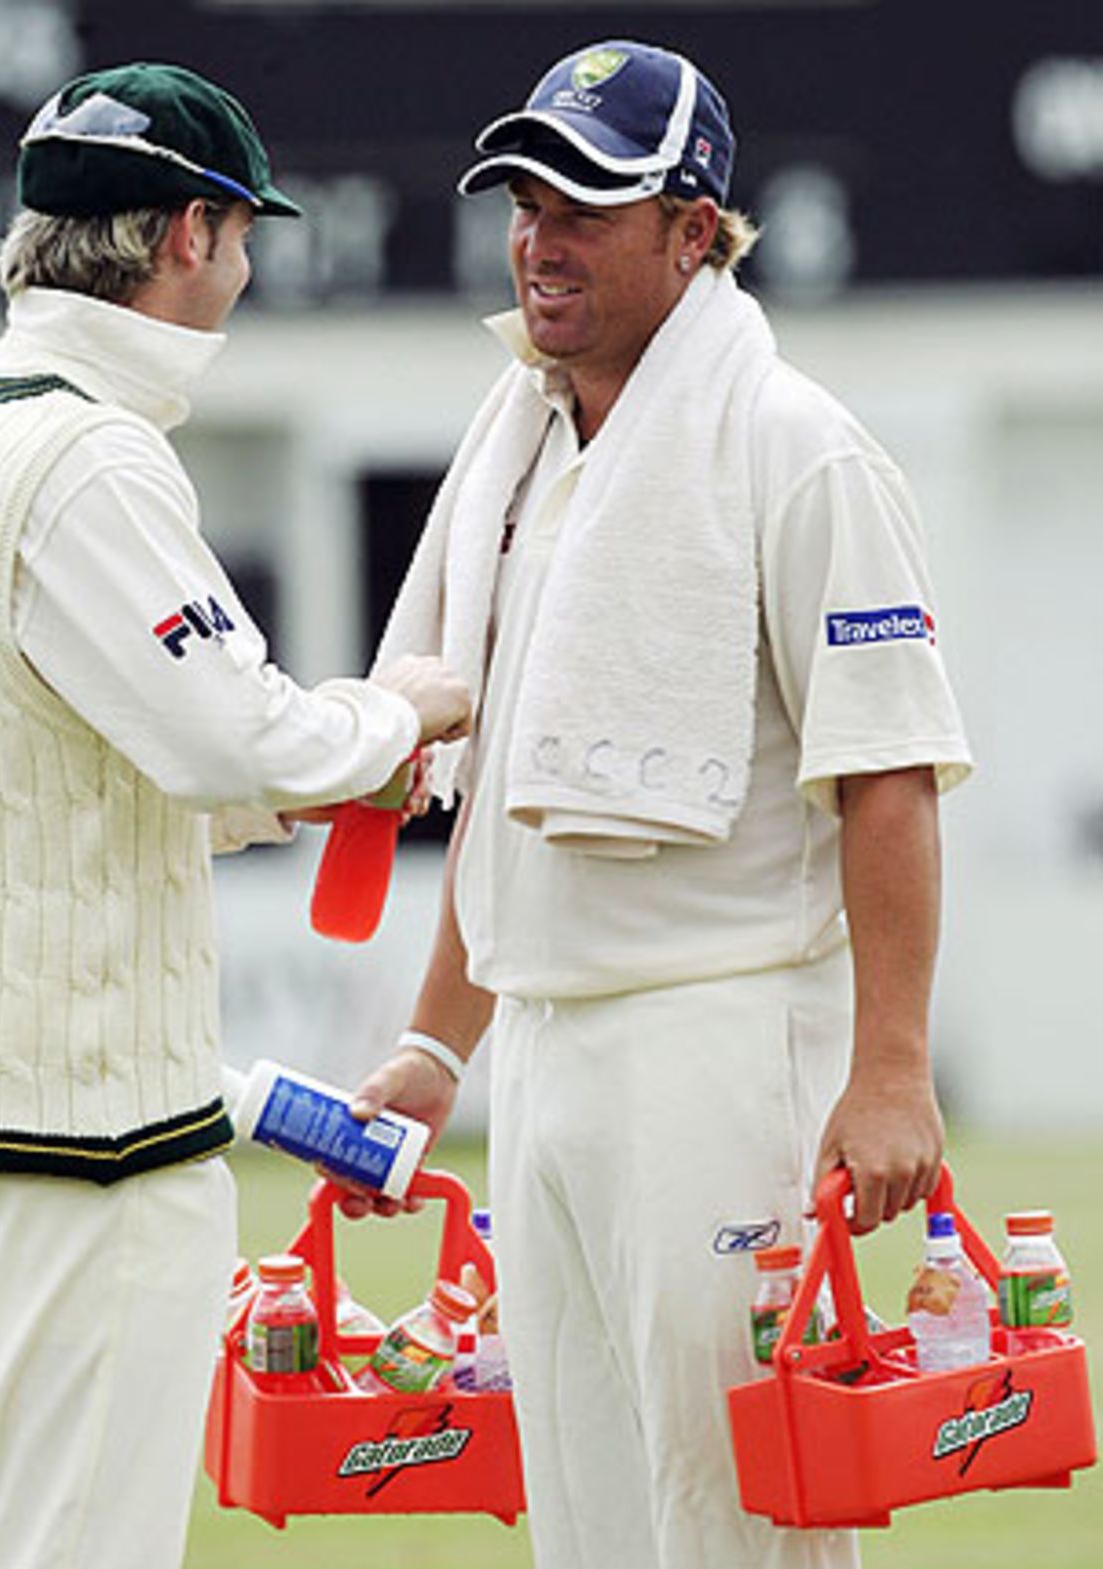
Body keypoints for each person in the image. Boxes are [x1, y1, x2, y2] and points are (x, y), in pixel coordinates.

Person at [347, 39, 972, 1569]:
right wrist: (438, 1044)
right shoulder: (518, 456)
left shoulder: (795, 445)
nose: (539, 242)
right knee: (585, 1508)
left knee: (735, 1502)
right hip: (546, 1057)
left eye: (587, 207)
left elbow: (887, 769)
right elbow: (509, 793)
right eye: (524, 202)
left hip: (719, 1039)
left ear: (696, 230)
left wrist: (891, 1066)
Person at [0, 61, 470, 1569]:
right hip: (81, 1133)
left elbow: (70, 759)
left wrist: (289, 793)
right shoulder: (92, 452)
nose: (245, 274)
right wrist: (402, 719)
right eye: (241, 238)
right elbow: (231, 731)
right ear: (188, 230)